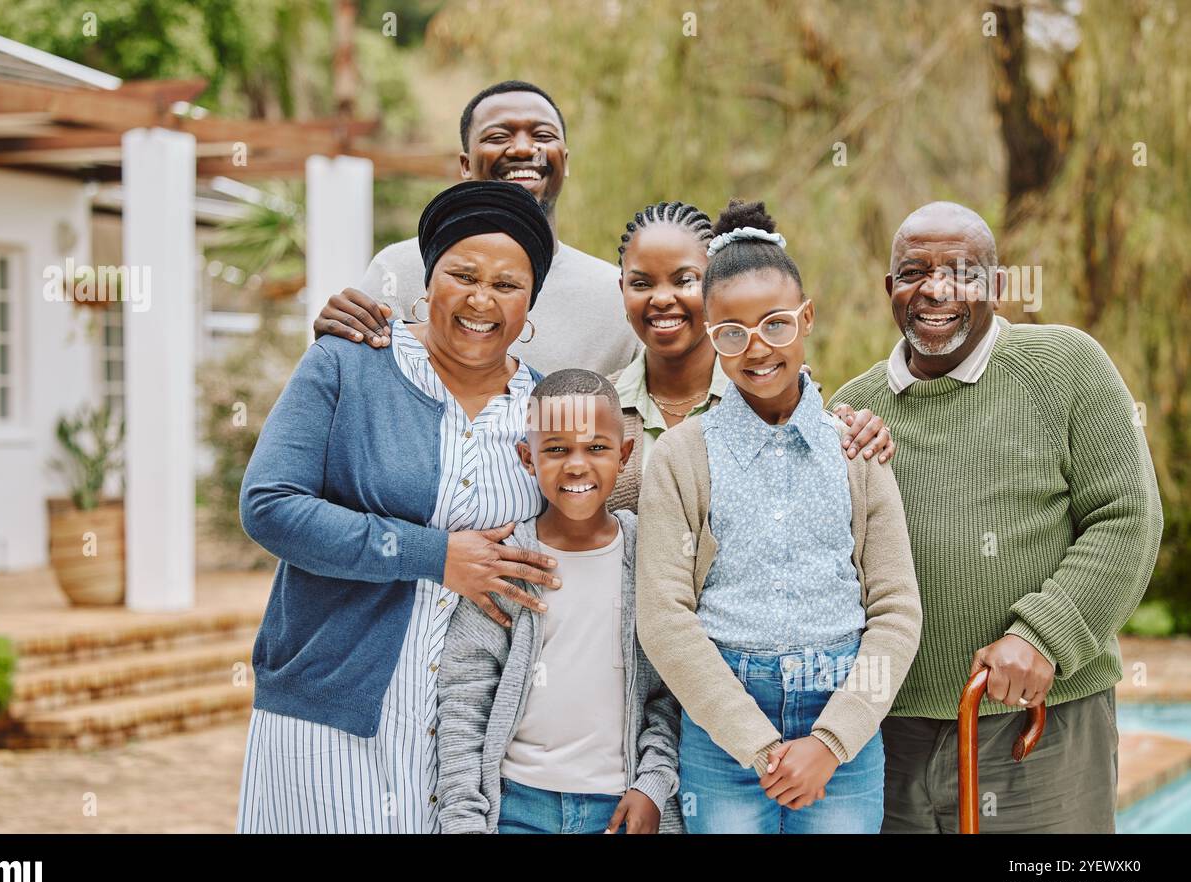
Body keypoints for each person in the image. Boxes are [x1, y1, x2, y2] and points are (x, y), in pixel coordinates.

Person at [235, 180, 566, 833]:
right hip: (332, 710)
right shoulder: (350, 362)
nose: (480, 299)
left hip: (472, 737)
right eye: (462, 274)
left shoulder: (543, 409)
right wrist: (436, 555)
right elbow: (269, 505)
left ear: (530, 303)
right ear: (428, 279)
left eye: (507, 284)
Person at [830, 201, 1163, 833]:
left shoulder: (1067, 366)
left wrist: (1042, 637)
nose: (936, 289)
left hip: (1042, 727)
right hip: (889, 737)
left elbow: (1127, 519)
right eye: (913, 272)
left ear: (999, 286)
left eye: (963, 271)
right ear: (889, 290)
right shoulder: (852, 407)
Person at [636, 199, 923, 834]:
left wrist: (832, 741)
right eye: (731, 332)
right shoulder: (684, 455)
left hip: (843, 725)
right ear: (710, 335)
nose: (756, 348)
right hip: (723, 726)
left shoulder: (855, 449)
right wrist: (757, 746)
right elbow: (663, 616)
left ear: (807, 318)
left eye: (775, 325)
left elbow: (897, 610)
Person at [436, 370, 682, 834]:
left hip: (622, 808)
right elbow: (465, 698)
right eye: (556, 449)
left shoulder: (650, 555)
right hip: (517, 807)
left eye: (596, 448)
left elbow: (670, 691)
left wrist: (652, 784)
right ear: (527, 458)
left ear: (625, 455)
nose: (576, 465)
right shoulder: (505, 563)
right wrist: (463, 819)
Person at [314, 80, 639, 376]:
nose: (524, 149)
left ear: (564, 162)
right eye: (499, 136)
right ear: (466, 165)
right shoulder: (398, 270)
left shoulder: (616, 296)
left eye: (542, 136)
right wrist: (333, 347)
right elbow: (352, 382)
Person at [608, 201, 894, 511]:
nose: (662, 298)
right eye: (640, 284)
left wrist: (859, 436)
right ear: (622, 289)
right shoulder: (598, 408)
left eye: (685, 280)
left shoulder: (777, 394)